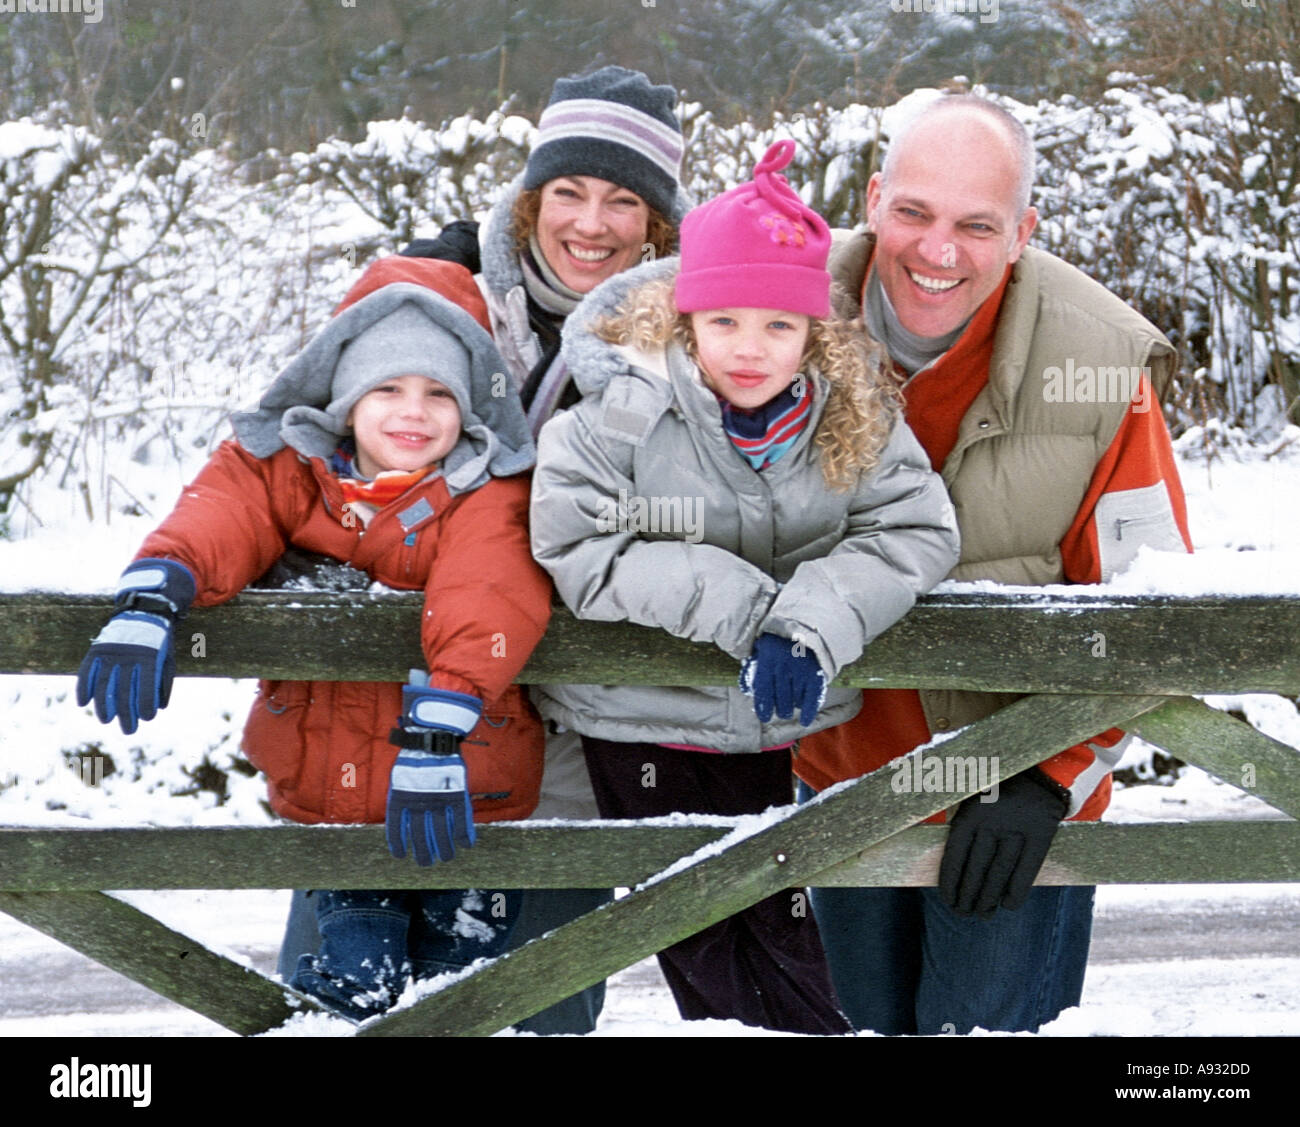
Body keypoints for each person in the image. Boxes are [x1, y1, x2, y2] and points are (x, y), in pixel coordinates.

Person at [529, 140, 962, 1033]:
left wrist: (808, 624)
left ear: (815, 332)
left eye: (778, 324)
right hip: (638, 722)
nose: (751, 348)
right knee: (704, 947)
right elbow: (578, 543)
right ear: (686, 319)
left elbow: (916, 528)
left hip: (782, 725)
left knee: (788, 940)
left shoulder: (854, 417)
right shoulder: (618, 413)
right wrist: (755, 614)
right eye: (724, 321)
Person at [794, 93, 1194, 1035]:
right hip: (841, 781)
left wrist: (1049, 774)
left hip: (1015, 808)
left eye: (977, 224)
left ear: (1023, 232)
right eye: (915, 213)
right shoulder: (777, 328)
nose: (940, 250)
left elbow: (1157, 604)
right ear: (873, 198)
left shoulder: (1102, 368)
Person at [76, 255, 553, 1021]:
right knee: (354, 986)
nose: (414, 410)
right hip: (333, 803)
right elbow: (220, 512)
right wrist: (156, 591)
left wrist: (443, 722)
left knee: (459, 997)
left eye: (439, 393)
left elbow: (489, 590)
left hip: (465, 793)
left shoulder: (485, 488)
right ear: (345, 394)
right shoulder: (289, 467)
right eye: (387, 387)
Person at [385, 63, 688, 1034]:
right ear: (531, 198)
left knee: (540, 1004)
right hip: (403, 707)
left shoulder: (699, 330)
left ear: (658, 224)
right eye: (567, 191)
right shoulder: (434, 297)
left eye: (622, 199)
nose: (591, 223)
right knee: (363, 998)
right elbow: (323, 457)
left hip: (572, 726)